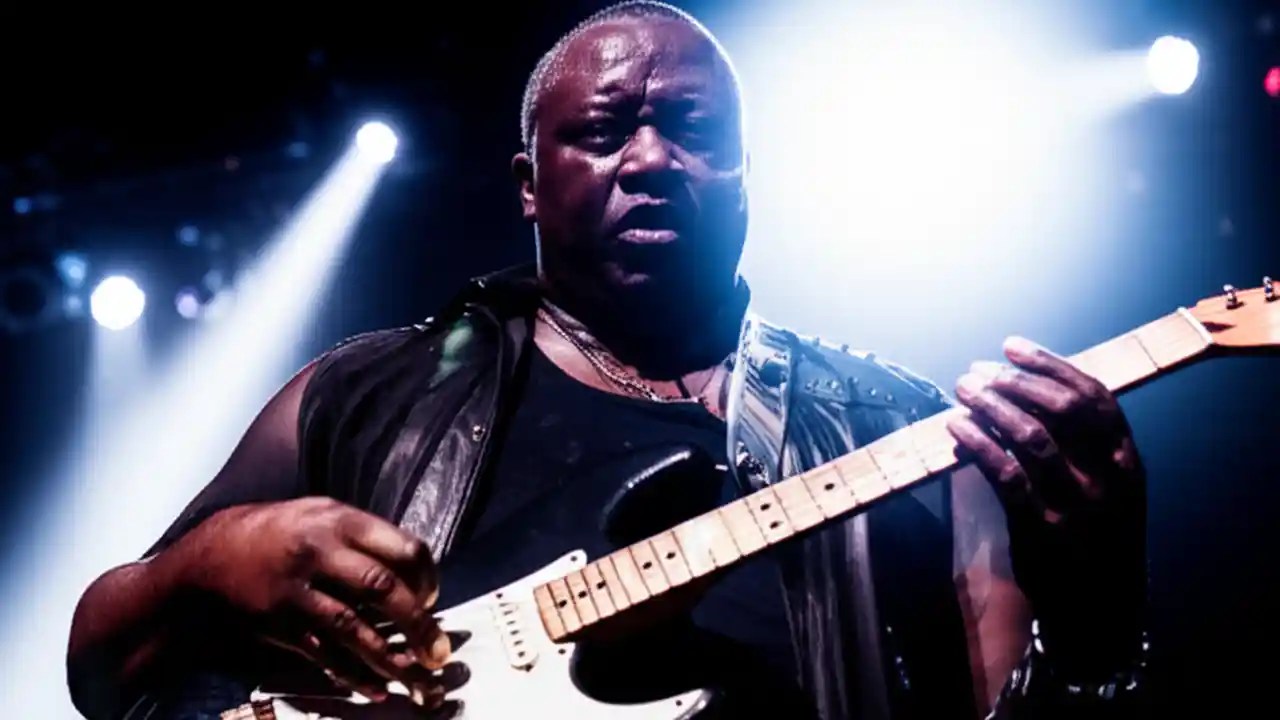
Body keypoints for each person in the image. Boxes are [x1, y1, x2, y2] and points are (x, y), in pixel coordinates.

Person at [65, 2, 1149, 718]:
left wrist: (1095, 600)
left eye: (694, 132)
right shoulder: (364, 396)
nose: (652, 160)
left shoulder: (902, 427)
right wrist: (212, 562)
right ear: (528, 184)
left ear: (745, 171)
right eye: (603, 132)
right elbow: (100, 663)